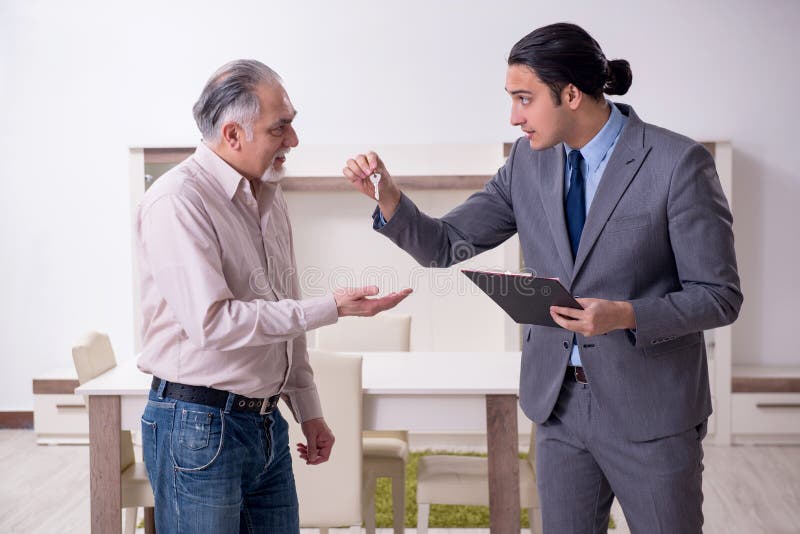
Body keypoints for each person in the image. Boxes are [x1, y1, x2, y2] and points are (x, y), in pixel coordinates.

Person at [343, 23, 741, 534]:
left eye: (524, 99)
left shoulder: (676, 163)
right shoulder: (525, 167)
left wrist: (625, 314)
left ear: (571, 94)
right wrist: (388, 196)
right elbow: (446, 245)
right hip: (559, 409)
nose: (515, 117)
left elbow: (719, 296)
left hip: (653, 414)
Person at [135, 59, 411, 533]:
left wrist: (309, 411)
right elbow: (214, 323)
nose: (294, 141)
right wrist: (332, 308)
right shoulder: (177, 201)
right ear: (233, 134)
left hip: (264, 425)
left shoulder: (269, 196)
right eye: (279, 128)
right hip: (197, 425)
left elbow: (285, 310)